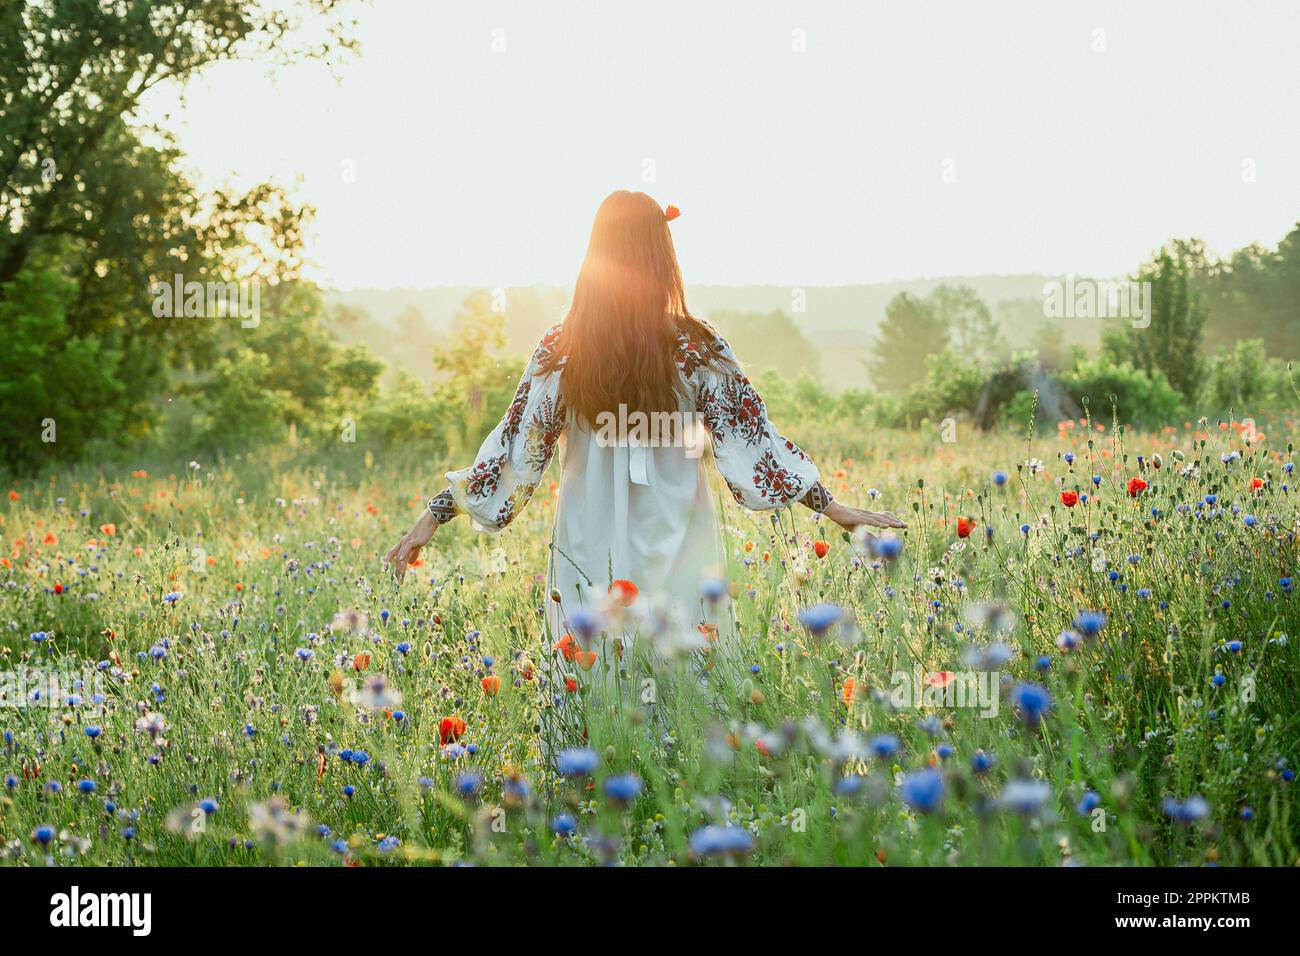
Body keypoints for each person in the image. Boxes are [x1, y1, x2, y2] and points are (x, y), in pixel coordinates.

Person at [385, 190, 905, 648]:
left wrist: (437, 511)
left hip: (590, 538)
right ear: (663, 255)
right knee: (682, 670)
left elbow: (516, 450)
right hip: (678, 531)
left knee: (597, 673)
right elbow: (752, 443)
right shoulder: (696, 345)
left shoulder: (564, 347)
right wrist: (829, 505)